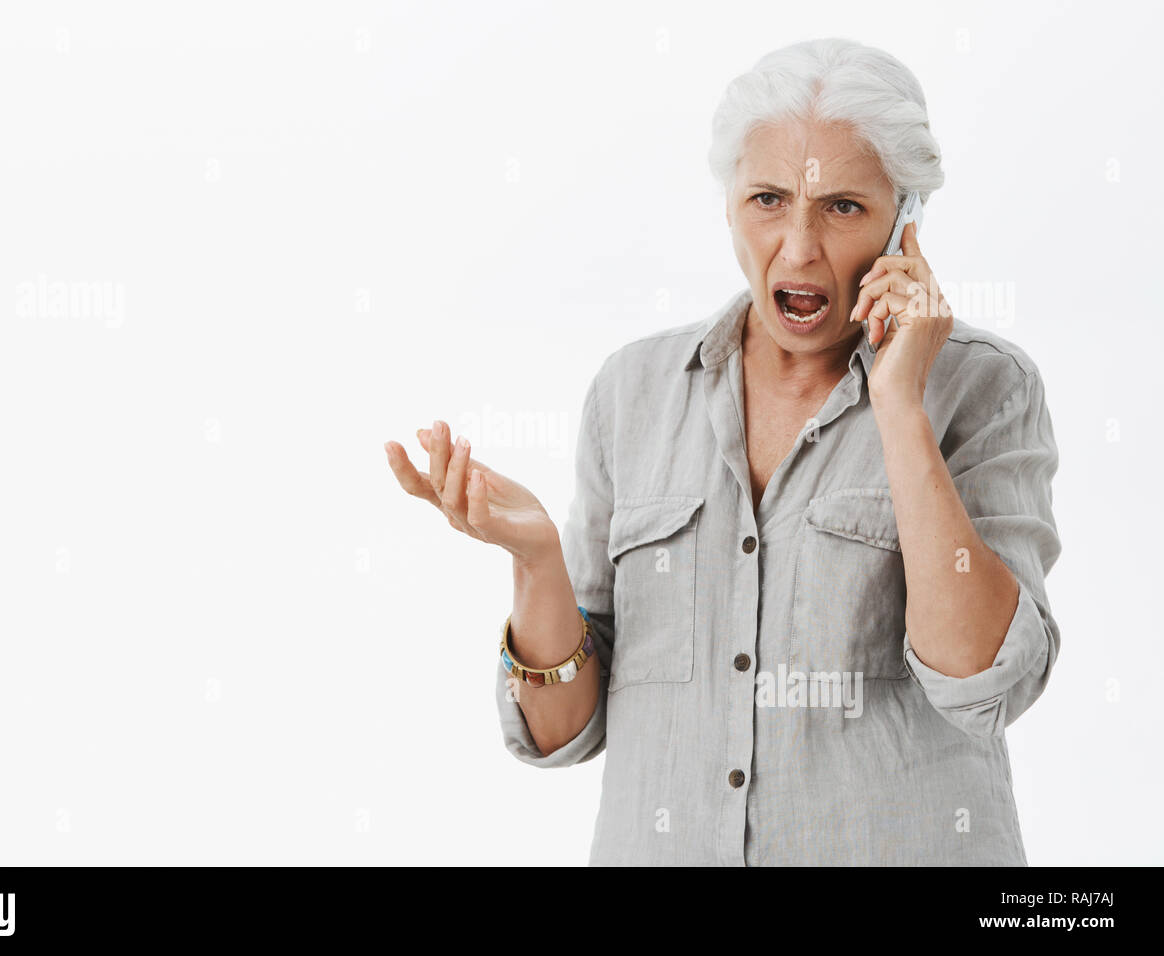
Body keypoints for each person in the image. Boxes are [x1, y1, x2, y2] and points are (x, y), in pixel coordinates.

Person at [384, 37, 1060, 866]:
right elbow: (564, 732)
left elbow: (984, 683)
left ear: (906, 221)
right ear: (729, 203)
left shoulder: (987, 390)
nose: (800, 247)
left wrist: (900, 406)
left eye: (843, 206)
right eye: (768, 199)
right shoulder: (633, 391)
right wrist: (536, 561)